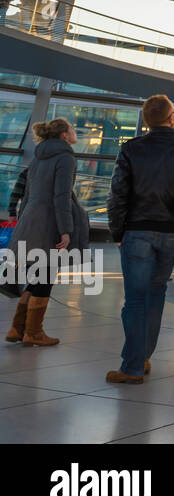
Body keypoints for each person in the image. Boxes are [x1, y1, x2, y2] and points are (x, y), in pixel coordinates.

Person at [105, 95, 174, 384]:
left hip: (137, 231)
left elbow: (118, 194)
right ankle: (142, 356)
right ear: (172, 118)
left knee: (135, 299)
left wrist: (117, 231)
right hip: (172, 232)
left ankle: (133, 366)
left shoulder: (132, 149)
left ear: (147, 121)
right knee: (156, 292)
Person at [5, 118, 88, 347]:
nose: (75, 131)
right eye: (72, 128)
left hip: (31, 220)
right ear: (63, 134)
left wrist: (21, 221)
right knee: (46, 276)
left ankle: (17, 328)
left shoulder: (38, 157)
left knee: (36, 274)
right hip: (49, 222)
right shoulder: (66, 158)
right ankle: (34, 332)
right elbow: (61, 197)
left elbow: (28, 193)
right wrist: (66, 230)